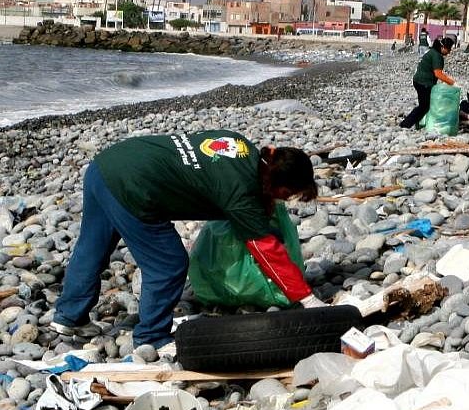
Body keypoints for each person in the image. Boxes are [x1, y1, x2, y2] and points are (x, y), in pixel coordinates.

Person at [50, 130, 326, 349]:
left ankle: (69, 317)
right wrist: (306, 297)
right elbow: (267, 250)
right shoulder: (242, 193)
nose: (284, 200)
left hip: (106, 166)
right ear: (276, 183)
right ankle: (152, 337)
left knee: (93, 246)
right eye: (287, 194)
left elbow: (210, 177)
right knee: (168, 264)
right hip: (134, 187)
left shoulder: (240, 145)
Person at [400, 35, 458, 128]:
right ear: (442, 47)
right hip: (423, 83)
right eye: (448, 49)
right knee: (424, 106)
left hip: (419, 81)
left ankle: (417, 123)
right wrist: (452, 83)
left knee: (424, 105)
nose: (449, 52)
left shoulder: (433, 52)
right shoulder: (437, 56)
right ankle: (405, 124)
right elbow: (438, 74)